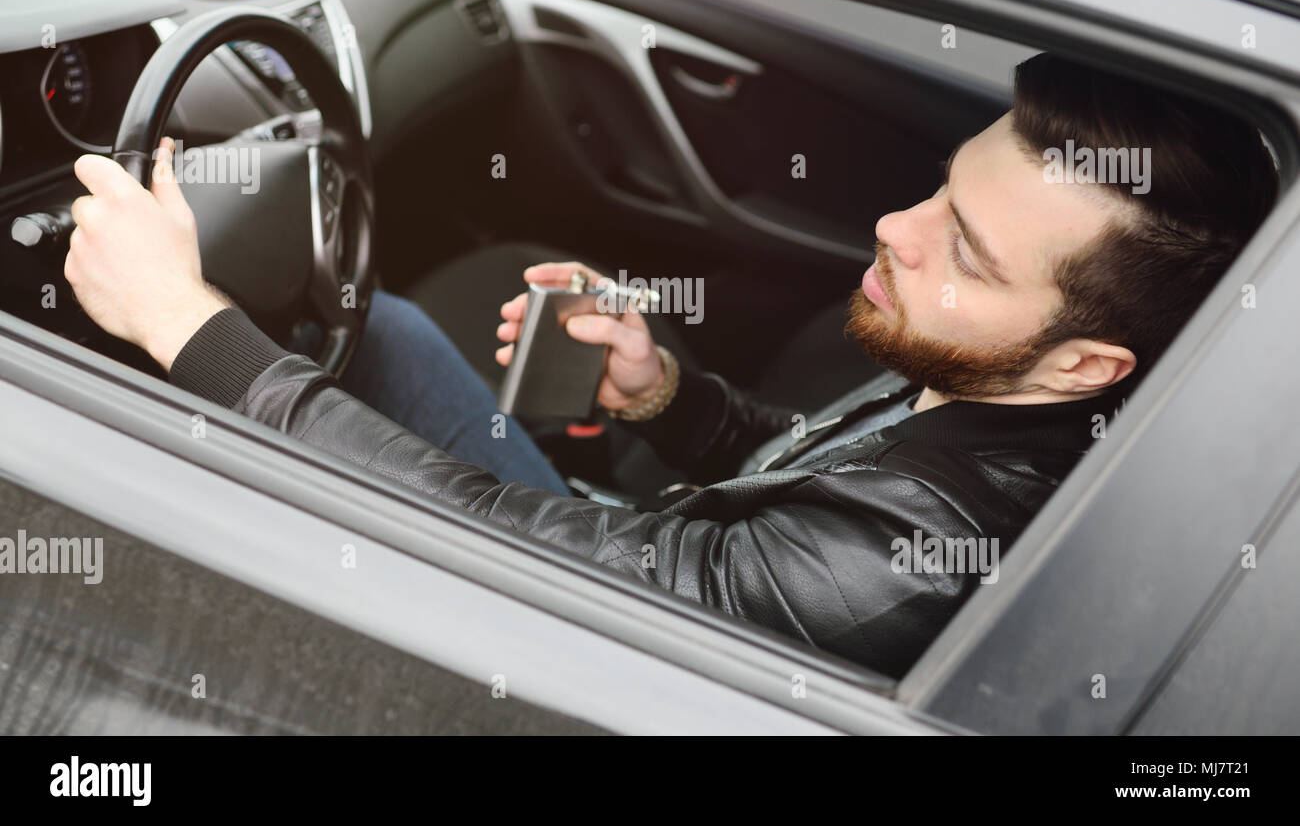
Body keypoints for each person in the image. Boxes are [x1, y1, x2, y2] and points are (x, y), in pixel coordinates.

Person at [61, 54, 1278, 677]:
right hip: (654, 546)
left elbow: (507, 558)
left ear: (1082, 364)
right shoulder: (989, 379)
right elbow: (807, 476)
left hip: (575, 618)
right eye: (938, 190)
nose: (894, 231)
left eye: (961, 248)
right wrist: (666, 397)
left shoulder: (891, 571)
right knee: (377, 330)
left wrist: (186, 323)